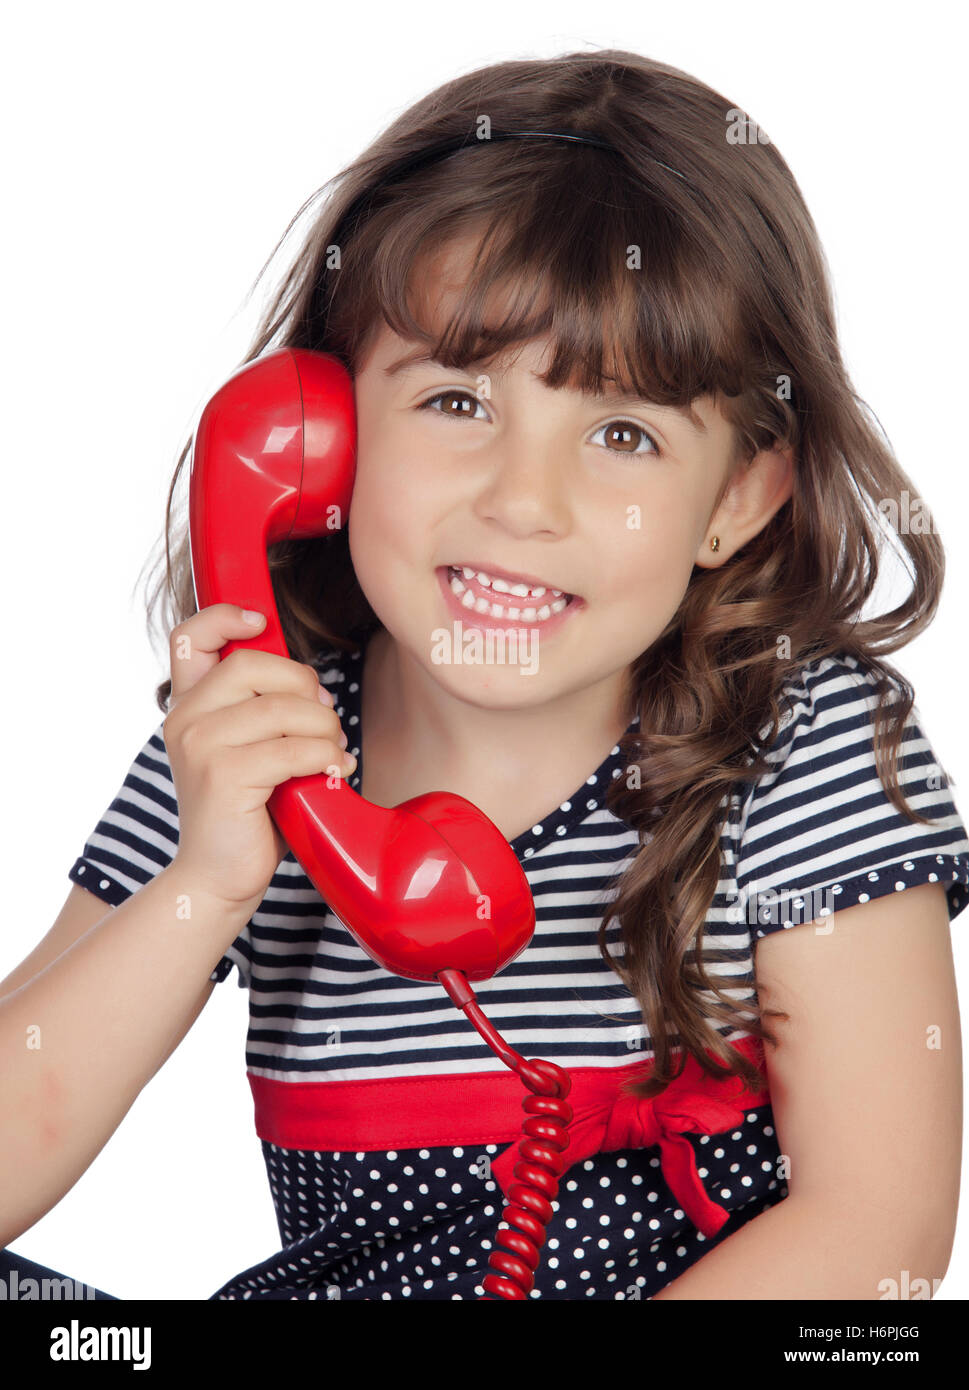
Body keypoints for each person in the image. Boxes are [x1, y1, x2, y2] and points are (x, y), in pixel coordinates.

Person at [1, 48, 966, 1303]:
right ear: (322, 435)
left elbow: (878, 1234)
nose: (524, 500)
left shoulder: (802, 743)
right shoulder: (258, 737)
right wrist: (211, 874)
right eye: (458, 401)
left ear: (735, 496)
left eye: (622, 434)